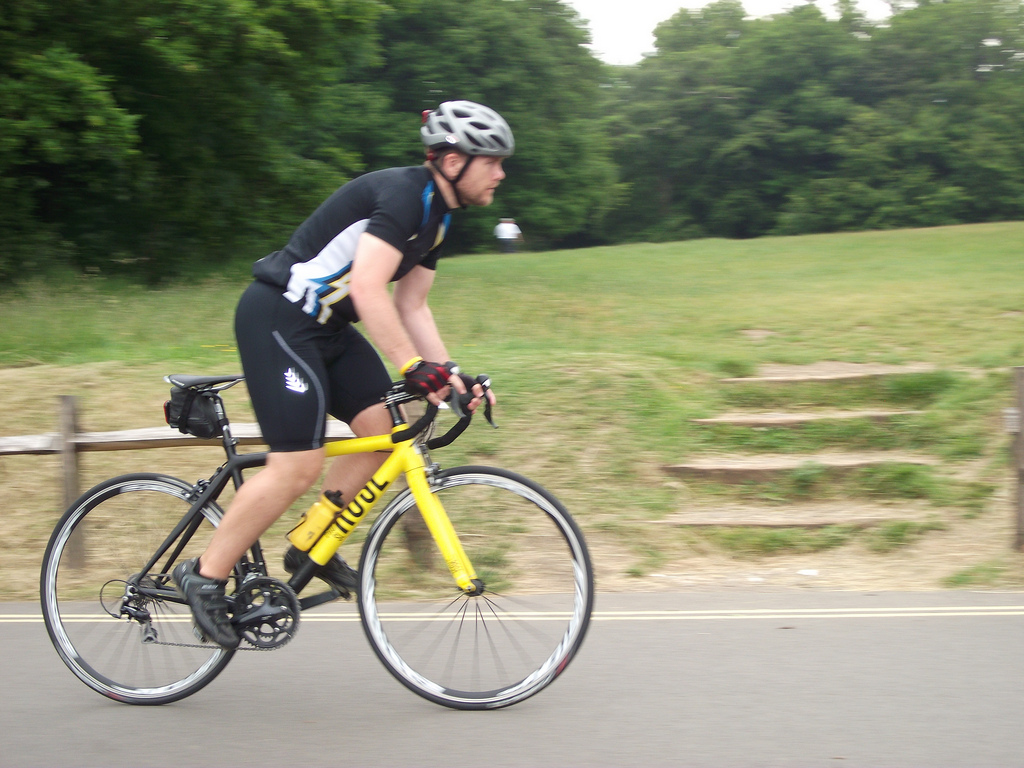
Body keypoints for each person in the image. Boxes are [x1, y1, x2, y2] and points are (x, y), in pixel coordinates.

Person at [172, 100, 513, 649]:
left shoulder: (438, 219)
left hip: (328, 330)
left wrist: (453, 379)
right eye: (493, 161)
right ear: (453, 162)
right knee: (296, 464)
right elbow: (366, 286)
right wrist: (410, 365)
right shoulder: (405, 197)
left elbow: (413, 306)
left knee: (388, 432)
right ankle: (205, 575)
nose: (500, 173)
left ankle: (310, 543)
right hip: (279, 318)